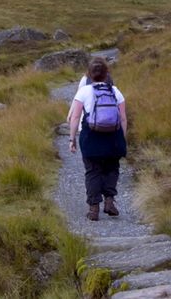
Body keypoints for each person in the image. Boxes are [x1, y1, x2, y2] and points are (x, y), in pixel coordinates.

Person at [68, 57, 128, 221]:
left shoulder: (84, 91)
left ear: (89, 74)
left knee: (92, 171)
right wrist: (121, 139)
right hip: (113, 137)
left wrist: (72, 139)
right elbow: (123, 118)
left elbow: (75, 118)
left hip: (91, 138)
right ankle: (109, 202)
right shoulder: (116, 91)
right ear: (106, 73)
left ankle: (94, 209)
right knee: (111, 169)